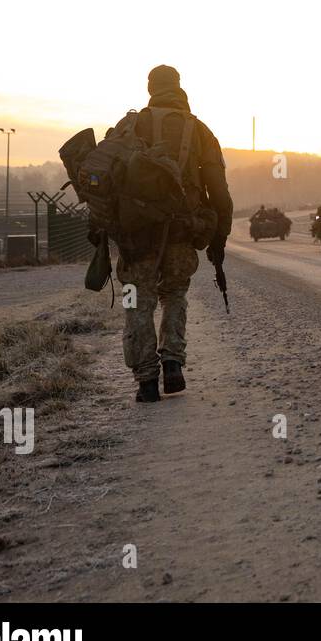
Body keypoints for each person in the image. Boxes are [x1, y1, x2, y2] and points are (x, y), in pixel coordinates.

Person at [118, 65, 232, 402]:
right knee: (175, 294)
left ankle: (146, 382)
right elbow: (219, 192)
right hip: (182, 231)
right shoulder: (199, 131)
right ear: (179, 88)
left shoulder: (130, 125)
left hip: (136, 235)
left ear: (150, 88)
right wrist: (218, 238)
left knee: (137, 302)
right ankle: (172, 364)